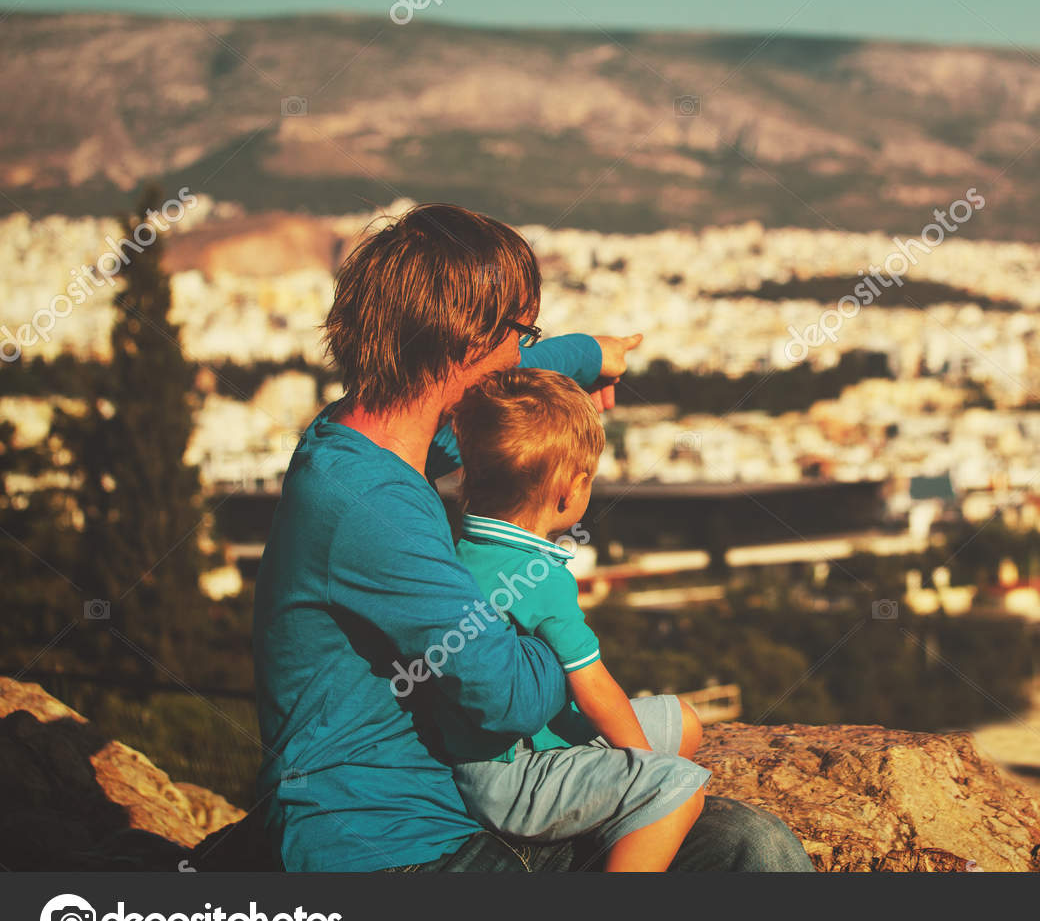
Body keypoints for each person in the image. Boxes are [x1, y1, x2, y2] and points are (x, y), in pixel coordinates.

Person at [252, 202, 812, 872]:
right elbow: (505, 692)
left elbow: (508, 399)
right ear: (465, 339)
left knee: (755, 845)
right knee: (750, 854)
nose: (523, 351)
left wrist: (588, 356)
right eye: (519, 331)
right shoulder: (372, 506)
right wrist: (563, 641)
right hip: (391, 845)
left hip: (454, 797)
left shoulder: (369, 436)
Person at [445, 368, 710, 871]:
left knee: (685, 722)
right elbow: (593, 688)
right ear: (570, 491)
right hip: (514, 777)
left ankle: (630, 822)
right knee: (677, 783)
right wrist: (645, 768)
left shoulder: (457, 551)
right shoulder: (540, 575)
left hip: (498, 759)